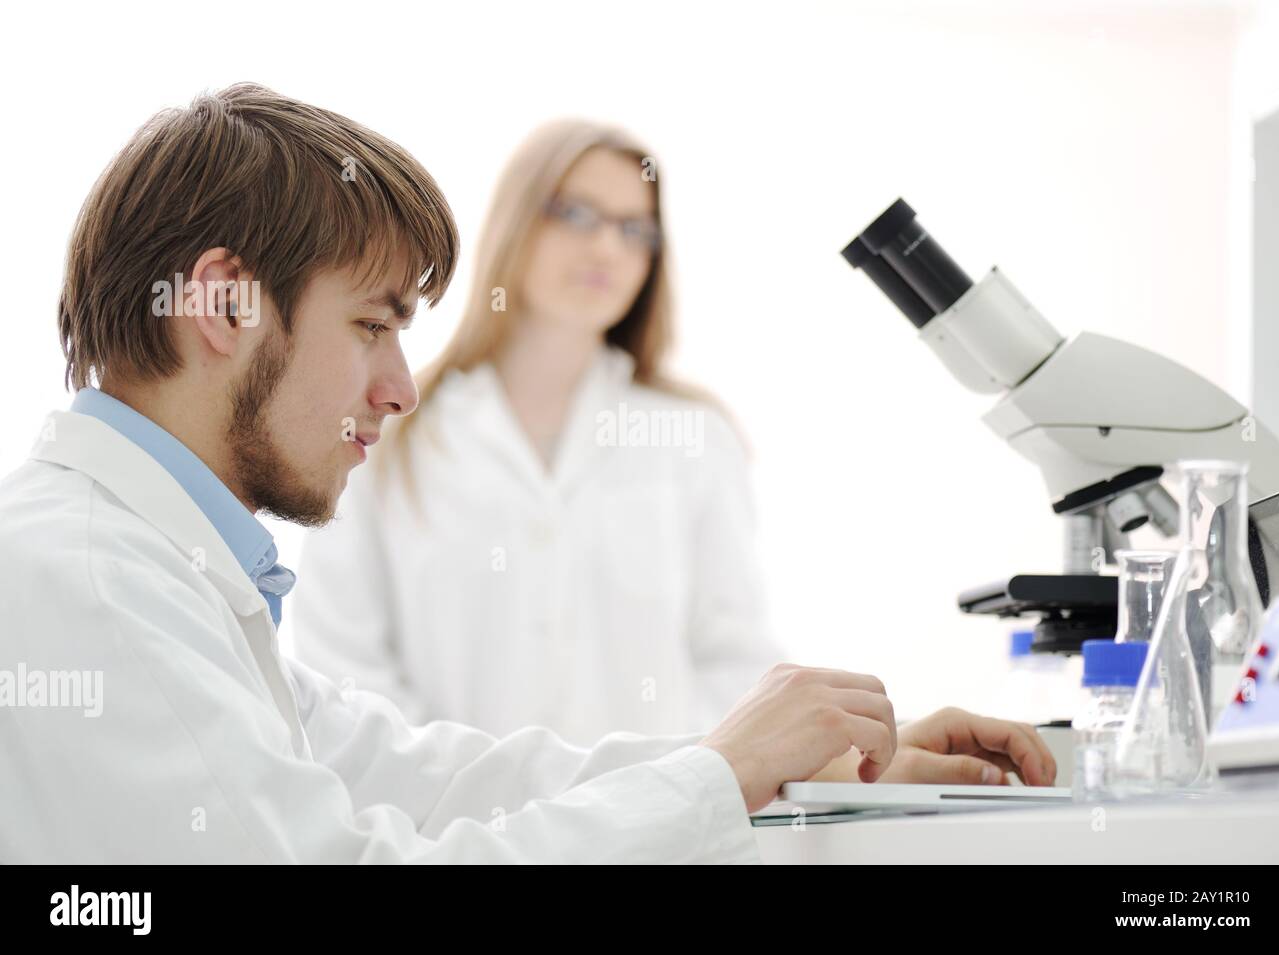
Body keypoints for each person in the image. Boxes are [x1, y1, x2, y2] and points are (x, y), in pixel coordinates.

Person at [0, 83, 1056, 864]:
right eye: (370, 325)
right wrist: (718, 774)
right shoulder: (91, 583)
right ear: (223, 304)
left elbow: (424, 771)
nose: (396, 388)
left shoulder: (167, 572)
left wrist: (793, 762)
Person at [293, 120, 784, 744]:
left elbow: (734, 664)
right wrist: (476, 798)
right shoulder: (389, 429)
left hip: (658, 824)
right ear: (517, 222)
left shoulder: (693, 437)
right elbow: (345, 669)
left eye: (635, 230)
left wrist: (661, 790)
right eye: (578, 214)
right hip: (452, 830)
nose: (608, 248)